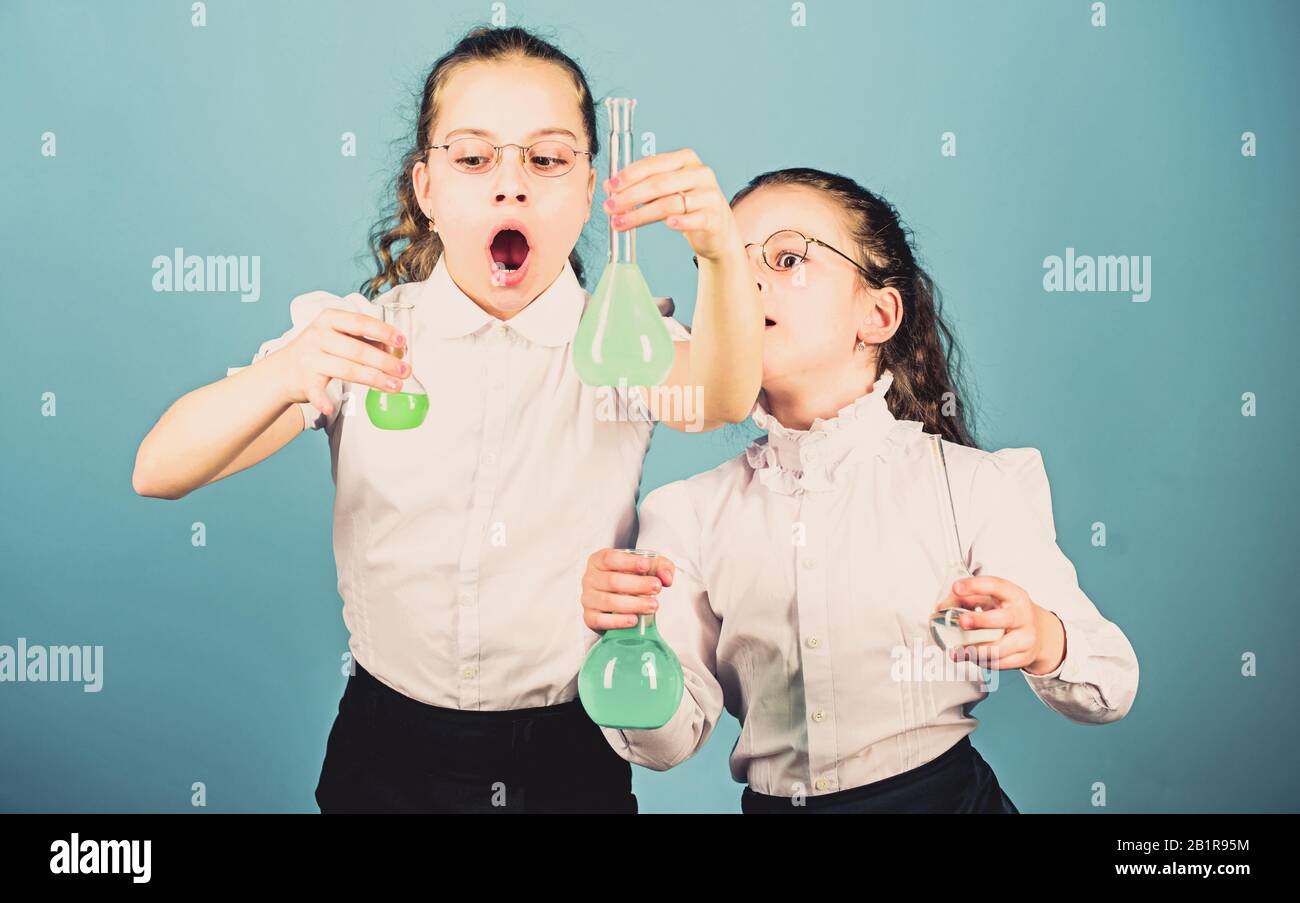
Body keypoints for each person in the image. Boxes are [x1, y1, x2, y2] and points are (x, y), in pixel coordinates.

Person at [133, 26, 763, 813]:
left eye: (547, 158)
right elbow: (157, 470)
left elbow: (724, 398)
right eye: (473, 158)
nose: (511, 186)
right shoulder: (362, 337)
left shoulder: (622, 342)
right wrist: (286, 371)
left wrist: (718, 253)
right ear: (427, 188)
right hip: (385, 751)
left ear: (592, 187)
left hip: (565, 758)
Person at [580, 167, 1139, 813]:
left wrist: (1045, 638)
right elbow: (662, 744)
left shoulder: (971, 486)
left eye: (787, 257)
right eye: (725, 266)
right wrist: (623, 639)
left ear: (877, 314)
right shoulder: (684, 515)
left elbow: (1111, 682)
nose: (748, 279)